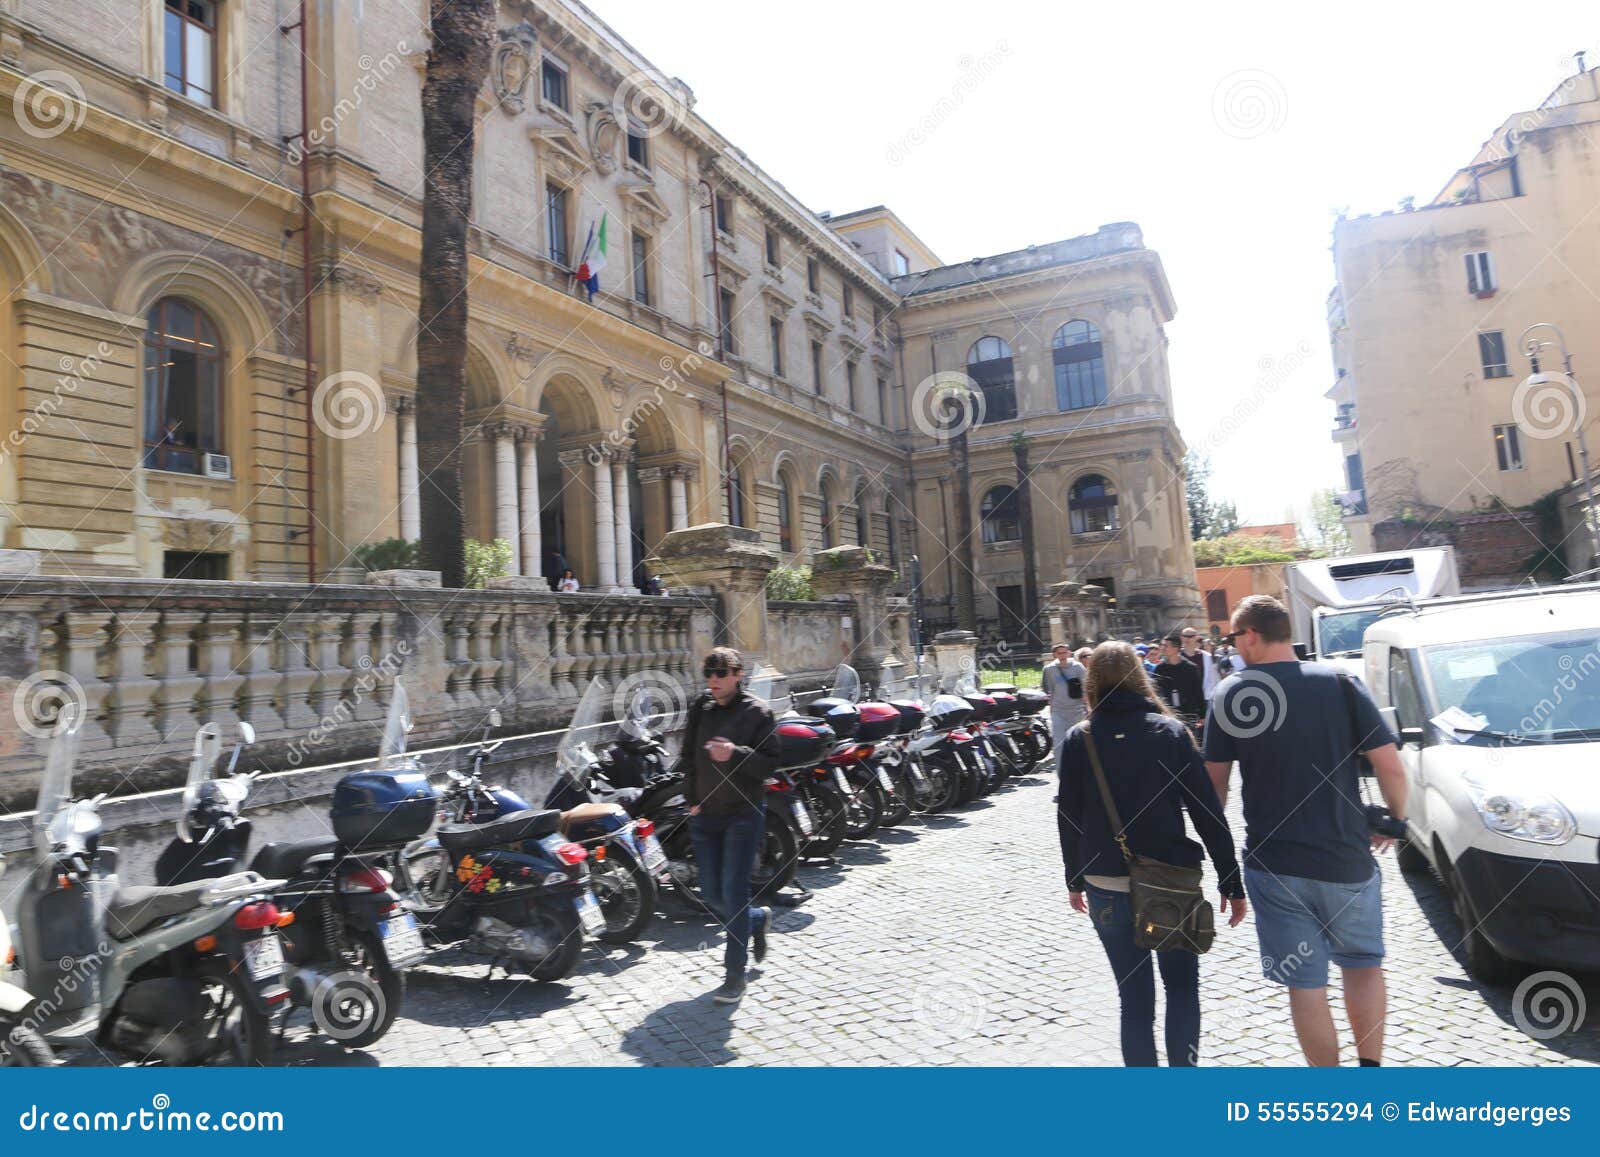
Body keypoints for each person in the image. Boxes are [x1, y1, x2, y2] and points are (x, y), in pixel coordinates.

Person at [1203, 595, 1408, 1067]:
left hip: (1275, 864)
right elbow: (1390, 766)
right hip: (1345, 856)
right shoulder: (1339, 682)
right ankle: (1371, 1071)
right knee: (1363, 965)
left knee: (1305, 984)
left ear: (1251, 636)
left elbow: (1215, 784)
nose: (1233, 646)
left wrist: (1219, 856)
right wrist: (1395, 821)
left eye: (1233, 637)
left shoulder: (1231, 694)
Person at [1056, 641, 1247, 1067]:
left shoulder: (1079, 739)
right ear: (1139, 677)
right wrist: (1231, 880)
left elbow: (1068, 817)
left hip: (1106, 881)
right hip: (1169, 878)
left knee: (1134, 999)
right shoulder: (1170, 733)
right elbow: (1206, 812)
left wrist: (1074, 878)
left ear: (1092, 682)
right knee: (1181, 989)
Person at [681, 646, 782, 1004]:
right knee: (711, 894)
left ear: (738, 675)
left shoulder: (758, 712)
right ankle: (755, 920)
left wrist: (735, 753)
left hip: (742, 814)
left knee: (734, 892)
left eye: (720, 673)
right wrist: (690, 797)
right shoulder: (701, 707)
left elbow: (770, 764)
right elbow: (688, 756)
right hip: (705, 814)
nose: (713, 680)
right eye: (708, 673)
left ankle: (734, 976)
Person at [1041, 642, 1087, 767]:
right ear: (1054, 655)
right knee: (1059, 743)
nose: (1062, 655)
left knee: (1080, 741)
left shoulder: (1078, 667)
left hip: (1077, 711)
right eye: (1059, 653)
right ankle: (1062, 770)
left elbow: (1086, 686)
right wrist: (1051, 705)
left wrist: (1087, 704)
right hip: (1058, 711)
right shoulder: (1049, 669)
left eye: (1064, 652)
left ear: (1069, 653)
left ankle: (1082, 767)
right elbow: (1047, 689)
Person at [1153, 633, 1205, 733]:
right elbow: (1155, 693)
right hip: (1168, 716)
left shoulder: (1191, 668)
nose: (1162, 648)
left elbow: (1198, 692)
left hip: (1188, 714)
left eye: (1166, 645)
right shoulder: (1160, 669)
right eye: (1162, 645)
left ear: (1176, 648)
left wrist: (1202, 715)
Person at [1180, 626, 1219, 698]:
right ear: (1181, 637)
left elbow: (1211, 679)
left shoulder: (1206, 656)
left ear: (1196, 638)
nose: (1187, 638)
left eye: (1191, 636)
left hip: (1202, 697)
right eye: (1185, 636)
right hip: (1182, 697)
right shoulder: (1176, 656)